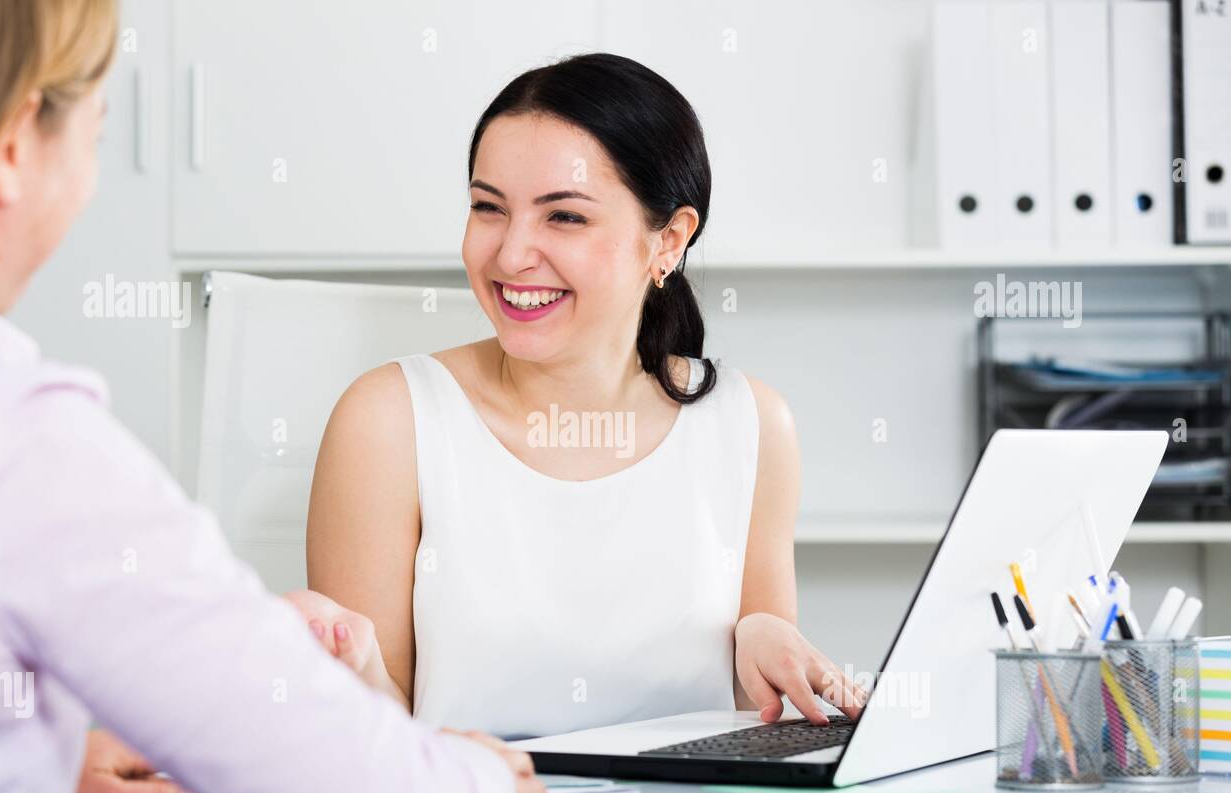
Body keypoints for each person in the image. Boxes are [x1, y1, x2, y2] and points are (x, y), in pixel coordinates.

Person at [0, 0, 546, 793]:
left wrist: (22, 765)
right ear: (11, 144)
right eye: (98, 131)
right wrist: (470, 777)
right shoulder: (13, 440)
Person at [308, 54, 866, 740]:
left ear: (667, 240)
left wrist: (759, 638)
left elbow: (759, 735)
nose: (511, 255)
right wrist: (341, 681)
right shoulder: (388, 421)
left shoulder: (752, 426)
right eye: (488, 208)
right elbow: (357, 742)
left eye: (564, 217)